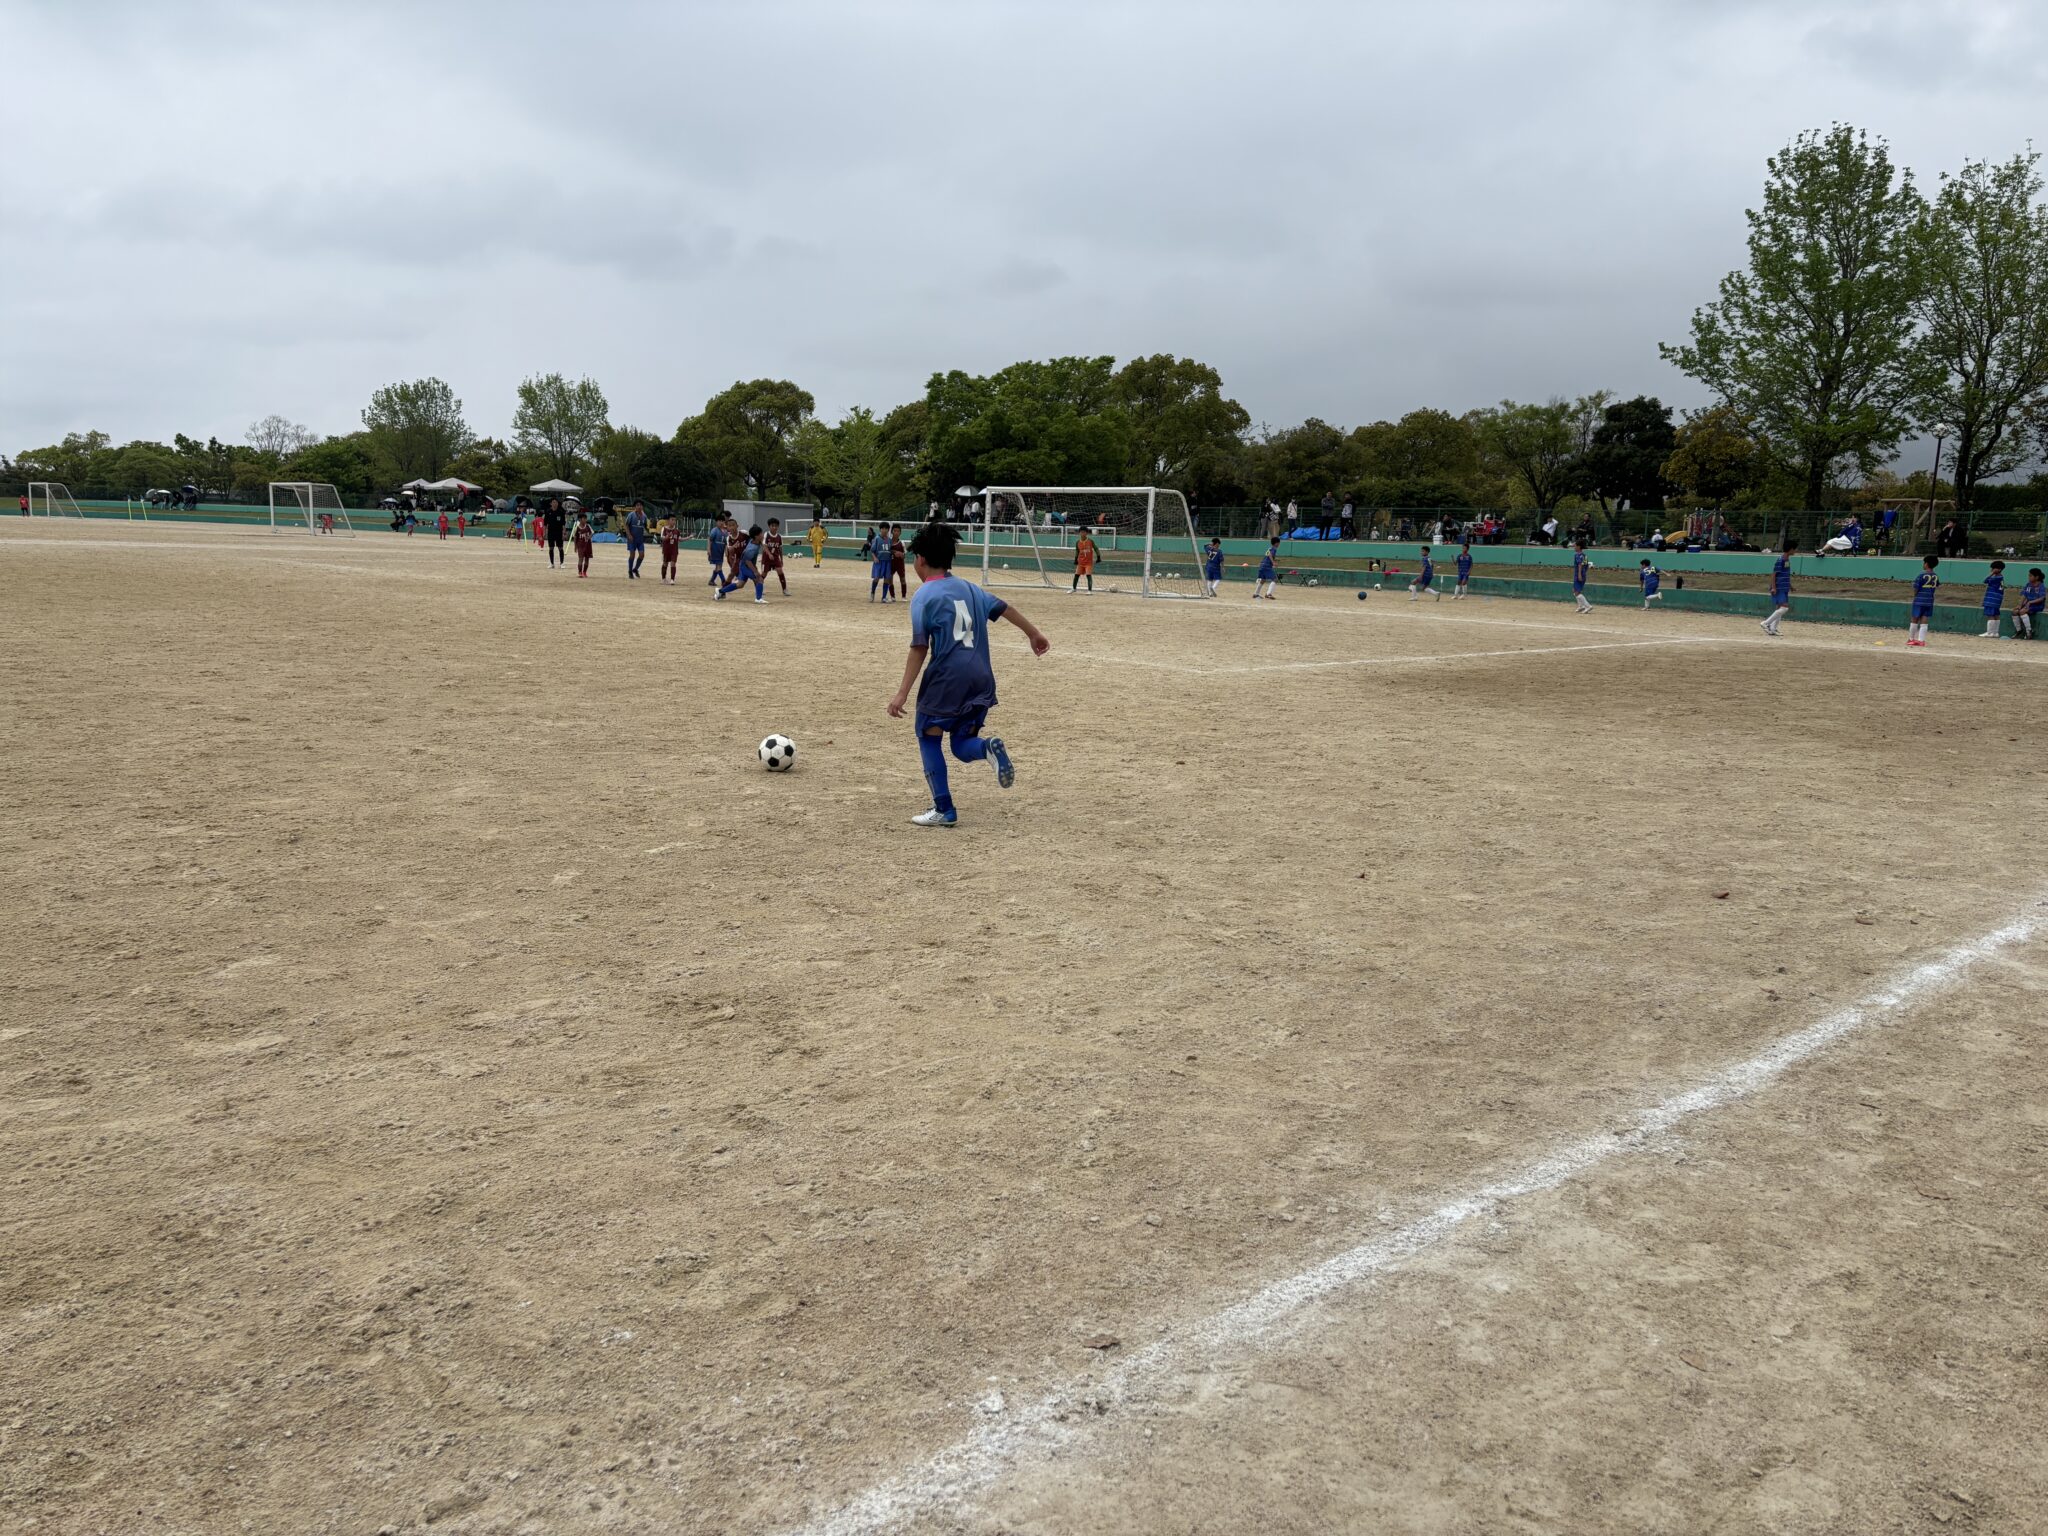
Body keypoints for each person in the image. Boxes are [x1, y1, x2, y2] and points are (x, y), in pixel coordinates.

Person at [885, 522, 1049, 828]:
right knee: (962, 744)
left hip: (947, 678)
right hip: (981, 678)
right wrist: (1034, 633)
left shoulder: (924, 596)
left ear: (920, 559)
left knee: (928, 736)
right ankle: (986, 748)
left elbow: (919, 647)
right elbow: (1004, 607)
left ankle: (944, 809)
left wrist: (902, 692)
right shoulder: (971, 588)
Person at [718, 524, 766, 602]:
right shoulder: (751, 549)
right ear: (756, 536)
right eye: (761, 533)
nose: (763, 535)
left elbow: (760, 542)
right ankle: (758, 599)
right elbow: (748, 561)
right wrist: (755, 572)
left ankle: (720, 591)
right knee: (759, 579)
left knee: (740, 584)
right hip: (745, 566)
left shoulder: (754, 540)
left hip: (743, 565)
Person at [1761, 543, 1793, 636]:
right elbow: (1774, 574)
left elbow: (1785, 574)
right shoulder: (1781, 560)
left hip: (1784, 587)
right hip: (1779, 587)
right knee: (1784, 607)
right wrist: (1774, 587)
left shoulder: (1787, 560)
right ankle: (1766, 623)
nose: (1795, 551)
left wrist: (1790, 585)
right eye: (1794, 549)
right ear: (1790, 549)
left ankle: (1773, 628)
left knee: (1779, 608)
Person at [1907, 555, 1938, 648]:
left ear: (1926, 564)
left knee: (1914, 619)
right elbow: (1935, 587)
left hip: (1919, 599)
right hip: (1929, 600)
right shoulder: (1935, 576)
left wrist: (1915, 595)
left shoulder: (1921, 575)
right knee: (1925, 619)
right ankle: (1921, 640)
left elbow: (1916, 587)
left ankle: (1911, 639)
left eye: (1924, 563)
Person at [760, 517, 788, 594]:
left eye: (776, 526)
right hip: (766, 558)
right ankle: (759, 588)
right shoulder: (766, 534)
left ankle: (784, 589)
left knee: (780, 572)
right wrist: (769, 554)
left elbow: (780, 549)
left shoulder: (779, 537)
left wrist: (781, 560)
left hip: (775, 558)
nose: (774, 527)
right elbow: (764, 546)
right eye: (772, 526)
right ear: (769, 526)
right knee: (764, 574)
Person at [1980, 560, 2006, 639]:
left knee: (1990, 615)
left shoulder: (1996, 578)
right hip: (1998, 599)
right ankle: (1995, 632)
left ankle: (1990, 632)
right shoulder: (2001, 577)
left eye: (1993, 568)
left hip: (1992, 599)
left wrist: (1992, 574)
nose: (1991, 570)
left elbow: (1985, 581)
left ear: (1999, 569)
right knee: (1996, 615)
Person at [866, 526, 893, 603]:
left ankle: (884, 597)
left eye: (886, 529)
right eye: (883, 528)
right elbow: (872, 550)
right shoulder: (877, 539)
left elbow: (891, 550)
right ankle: (872, 593)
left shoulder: (889, 540)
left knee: (887, 579)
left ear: (888, 530)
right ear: (880, 529)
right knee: (876, 578)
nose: (884, 530)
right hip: (879, 562)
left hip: (888, 562)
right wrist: (874, 558)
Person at [2017, 568, 2045, 640]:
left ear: (2037, 577)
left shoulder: (2041, 586)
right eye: (2028, 576)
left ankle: (2029, 631)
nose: (2029, 577)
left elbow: (2041, 598)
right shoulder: (2028, 585)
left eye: (2031, 576)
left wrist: (2030, 602)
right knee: (2015, 611)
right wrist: (2020, 605)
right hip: (2028, 605)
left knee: (2022, 612)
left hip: (2037, 606)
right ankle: (2019, 631)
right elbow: (2024, 595)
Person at [623, 503, 648, 579]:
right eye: (637, 505)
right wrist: (629, 535)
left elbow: (645, 526)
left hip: (640, 539)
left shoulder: (644, 516)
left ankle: (635, 569)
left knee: (642, 555)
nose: (639, 507)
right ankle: (630, 571)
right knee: (632, 555)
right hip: (632, 539)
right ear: (635, 507)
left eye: (640, 505)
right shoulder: (631, 515)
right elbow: (626, 525)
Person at [544, 497, 567, 569]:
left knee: (560, 548)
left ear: (557, 503)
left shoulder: (561, 512)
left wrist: (564, 532)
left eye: (556, 502)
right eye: (553, 502)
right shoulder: (548, 512)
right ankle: (551, 563)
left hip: (559, 532)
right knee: (551, 548)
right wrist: (545, 533)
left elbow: (563, 524)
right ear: (551, 503)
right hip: (551, 532)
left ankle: (562, 563)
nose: (554, 503)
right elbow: (545, 523)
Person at [706, 514, 729, 587]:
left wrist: (726, 551)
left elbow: (725, 543)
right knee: (719, 567)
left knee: (718, 567)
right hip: (715, 551)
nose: (721, 522)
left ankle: (712, 581)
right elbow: (710, 539)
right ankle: (724, 581)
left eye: (722, 521)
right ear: (716, 522)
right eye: (719, 521)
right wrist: (709, 549)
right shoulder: (714, 530)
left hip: (720, 552)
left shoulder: (725, 532)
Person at [1071, 529, 1098, 593]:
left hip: (1088, 562)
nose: (1082, 533)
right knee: (1076, 575)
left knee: (1088, 575)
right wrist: (1075, 559)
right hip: (1080, 562)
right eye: (1081, 532)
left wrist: (1098, 557)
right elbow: (1077, 551)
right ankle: (1074, 589)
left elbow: (1096, 548)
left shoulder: (1090, 541)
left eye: (1084, 532)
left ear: (1087, 533)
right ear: (1079, 533)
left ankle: (1089, 590)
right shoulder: (1078, 542)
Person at [658, 517, 681, 584]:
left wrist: (688, 537)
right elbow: (662, 539)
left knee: (673, 564)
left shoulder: (677, 531)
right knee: (665, 563)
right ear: (668, 521)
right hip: (666, 549)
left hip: (674, 550)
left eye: (675, 520)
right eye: (672, 520)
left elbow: (680, 539)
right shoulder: (664, 529)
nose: (674, 522)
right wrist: (667, 536)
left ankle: (672, 580)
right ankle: (663, 579)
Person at [1571, 543, 1593, 613]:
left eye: (1575, 546)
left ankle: (1588, 606)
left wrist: (1579, 574)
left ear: (1579, 546)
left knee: (1577, 592)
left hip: (1578, 574)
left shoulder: (1577, 555)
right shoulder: (1584, 555)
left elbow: (1580, 564)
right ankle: (1581, 606)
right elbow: (1586, 565)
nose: (1574, 547)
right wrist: (1584, 573)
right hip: (1583, 574)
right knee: (1575, 590)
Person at [889, 522, 908, 599]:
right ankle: (892, 596)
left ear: (900, 533)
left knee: (902, 579)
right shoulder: (888, 542)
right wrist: (894, 552)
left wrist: (901, 555)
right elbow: (887, 551)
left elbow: (904, 555)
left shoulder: (902, 543)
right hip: (891, 563)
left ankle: (903, 596)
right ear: (892, 532)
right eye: (895, 531)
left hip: (900, 564)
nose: (896, 532)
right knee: (890, 580)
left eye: (898, 531)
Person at [572, 512, 594, 577]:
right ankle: (580, 572)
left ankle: (584, 572)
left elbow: (592, 533)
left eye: (585, 519)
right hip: (580, 546)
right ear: (580, 519)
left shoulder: (588, 526)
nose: (585, 520)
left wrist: (589, 536)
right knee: (581, 559)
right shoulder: (577, 528)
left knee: (587, 559)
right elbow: (575, 537)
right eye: (584, 518)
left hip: (588, 545)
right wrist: (575, 546)